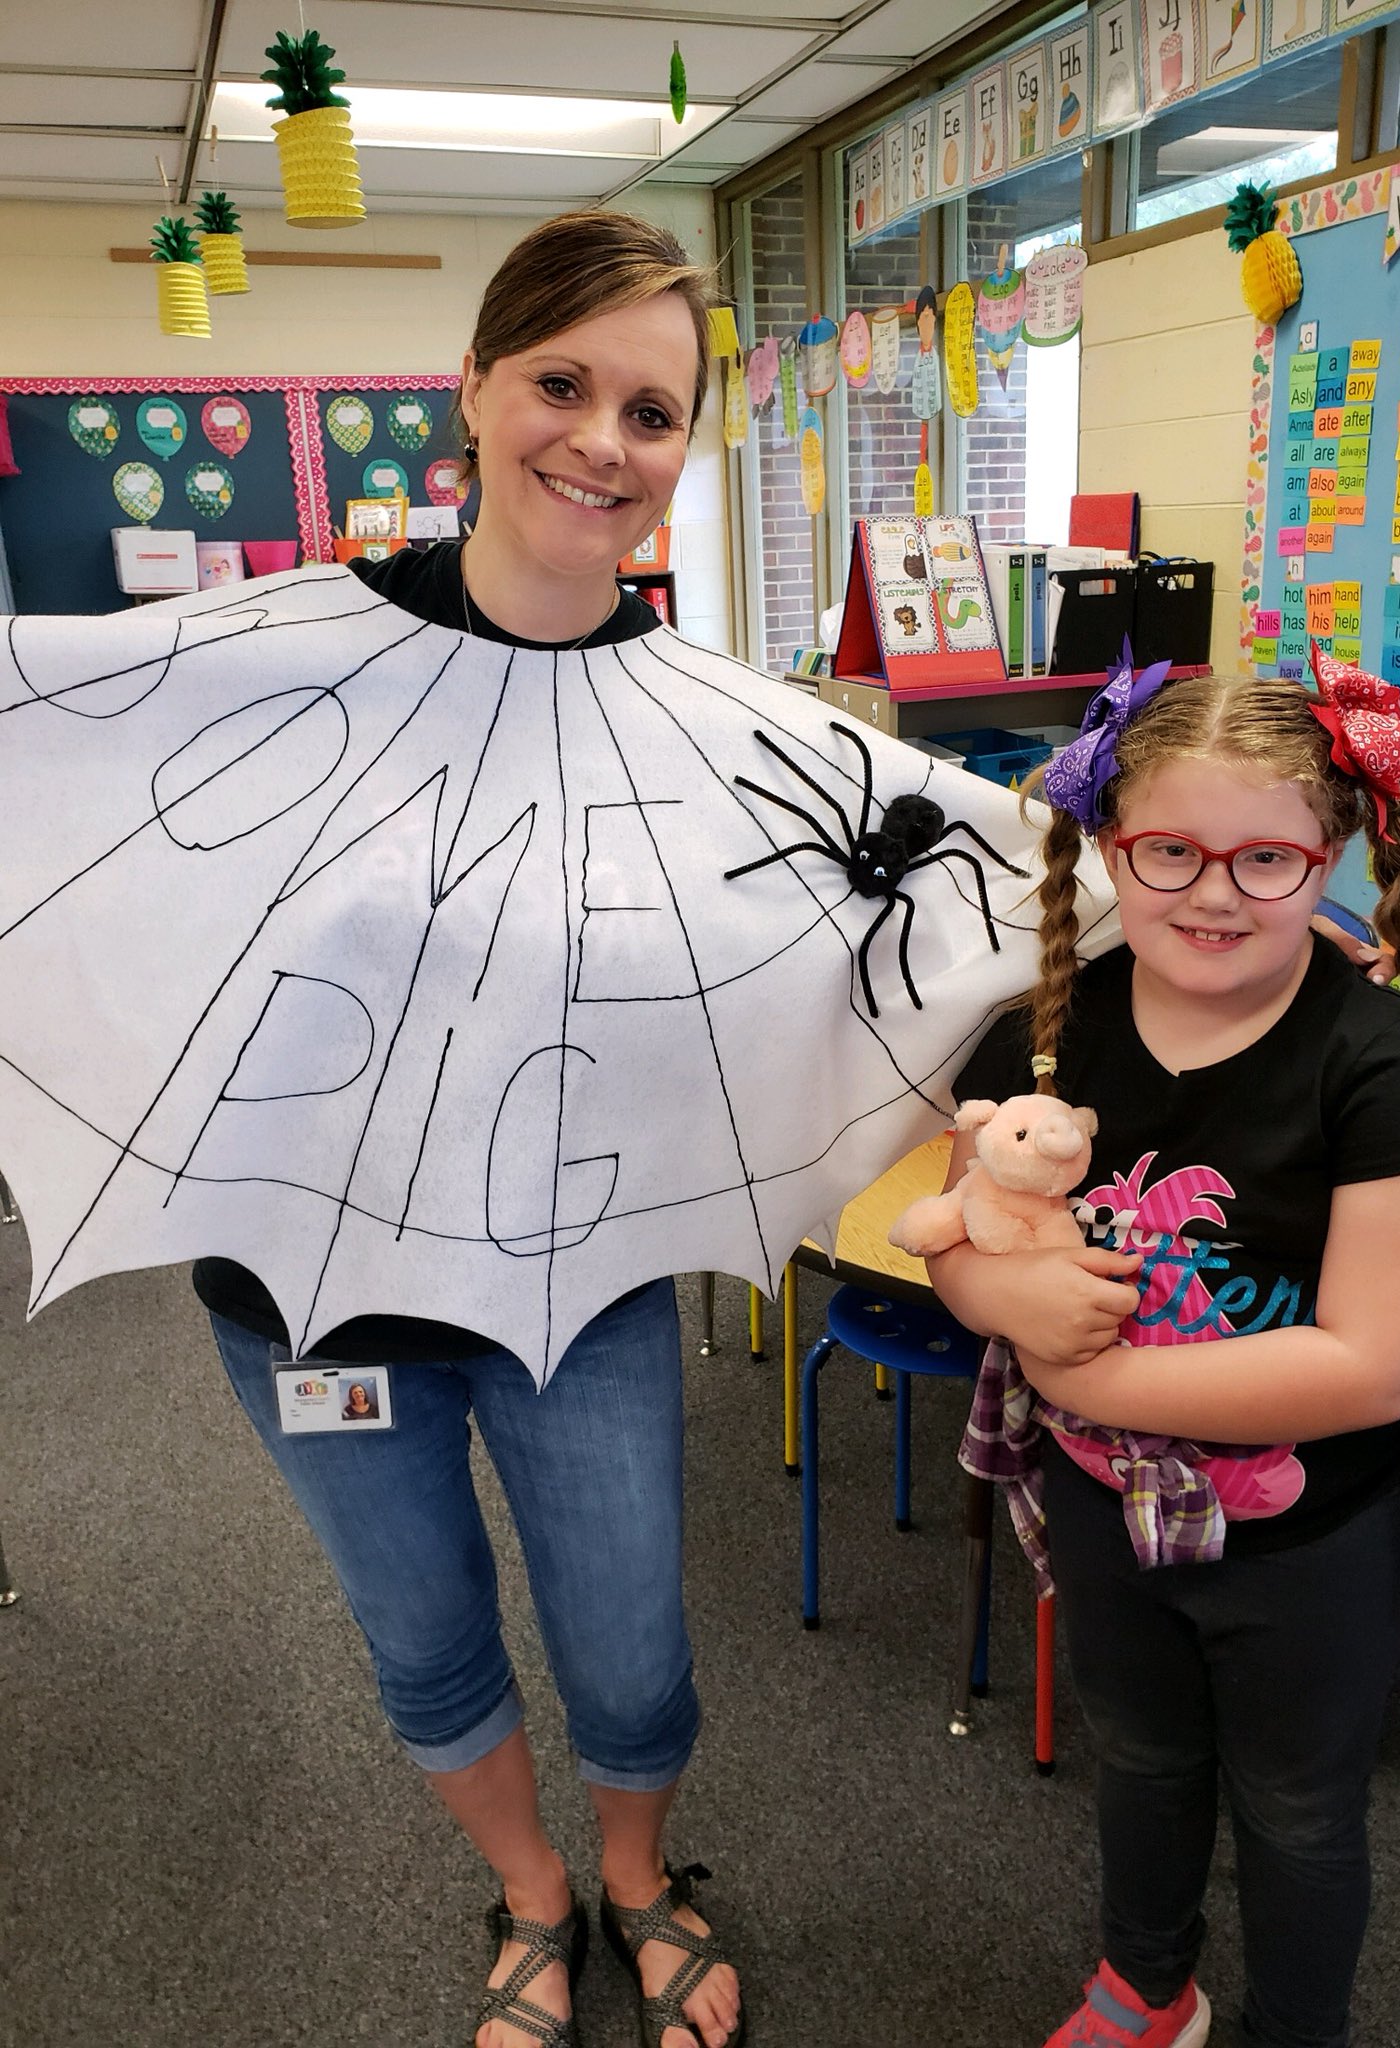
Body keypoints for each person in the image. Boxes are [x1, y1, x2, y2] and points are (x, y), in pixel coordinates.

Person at [194, 211, 744, 2048]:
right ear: (476, 392)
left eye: (653, 411)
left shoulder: (700, 727)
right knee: (422, 1633)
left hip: (571, 1267)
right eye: (563, 385)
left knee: (630, 1643)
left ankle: (643, 1882)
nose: (603, 441)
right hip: (308, 1287)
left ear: (688, 447)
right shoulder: (286, 658)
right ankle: (531, 1901)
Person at [926, 656, 1400, 2048]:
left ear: (1328, 855)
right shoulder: (1043, 1037)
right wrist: (1000, 1303)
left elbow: (1373, 1365)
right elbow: (957, 1233)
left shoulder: (1375, 1061)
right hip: (1101, 1506)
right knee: (1137, 1755)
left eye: (1265, 859)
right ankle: (1147, 1988)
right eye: (1171, 851)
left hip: (1313, 1538)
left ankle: (1293, 2027)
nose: (1212, 893)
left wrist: (1081, 1376)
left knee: (1301, 1807)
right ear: (1109, 848)